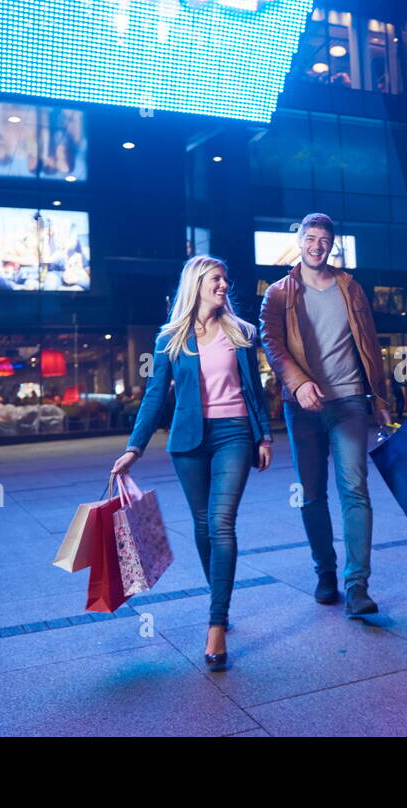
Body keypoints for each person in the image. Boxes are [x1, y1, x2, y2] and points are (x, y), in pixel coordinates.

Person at [111, 255, 273, 671]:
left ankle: (216, 622)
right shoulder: (170, 338)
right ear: (197, 284)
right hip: (187, 442)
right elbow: (153, 396)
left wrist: (264, 435)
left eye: (224, 278)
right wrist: (134, 448)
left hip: (234, 434)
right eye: (216, 279)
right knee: (202, 525)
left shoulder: (242, 332)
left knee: (220, 522)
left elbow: (254, 389)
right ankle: (220, 595)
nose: (224, 285)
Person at [260, 213, 393, 617]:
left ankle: (357, 586)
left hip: (349, 400)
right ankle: (325, 573)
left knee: (355, 489)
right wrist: (298, 383)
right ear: (299, 241)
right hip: (302, 409)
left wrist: (382, 400)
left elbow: (369, 344)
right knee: (312, 494)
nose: (317, 245)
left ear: (332, 244)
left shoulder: (350, 288)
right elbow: (272, 343)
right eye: (310, 238)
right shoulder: (279, 294)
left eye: (324, 239)